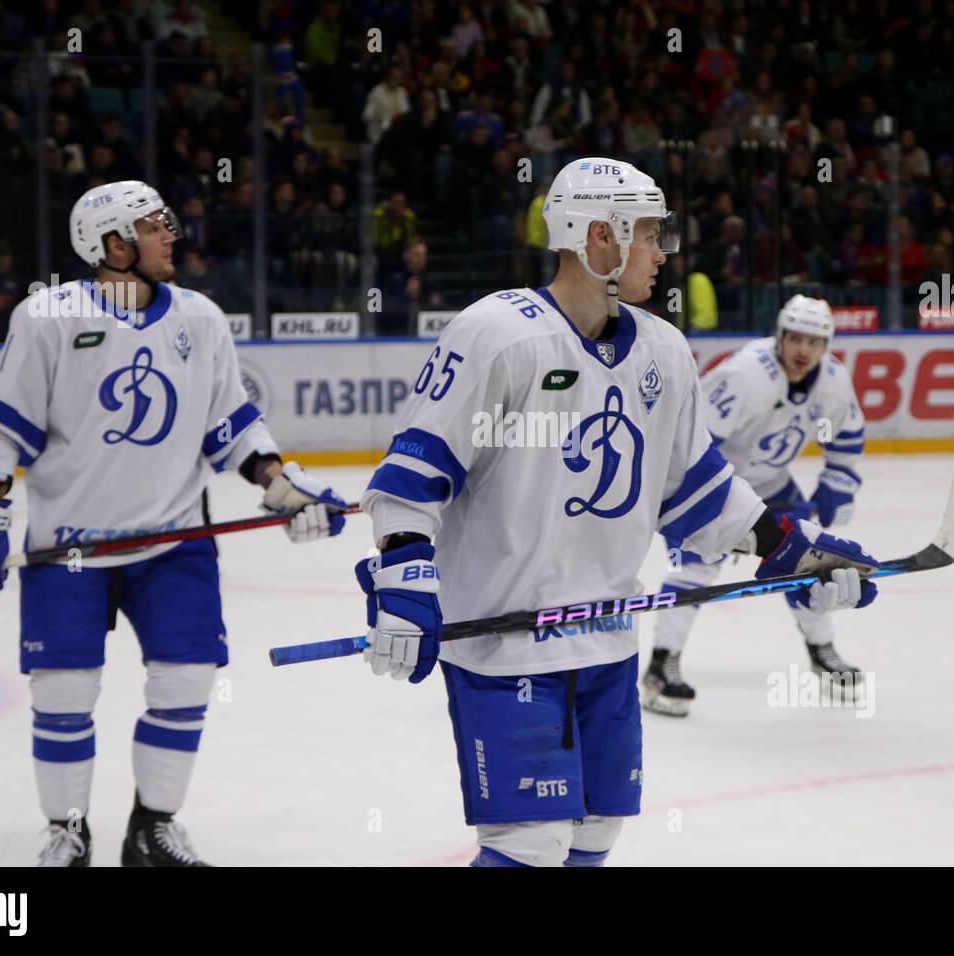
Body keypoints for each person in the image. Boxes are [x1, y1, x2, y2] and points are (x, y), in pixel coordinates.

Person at [351, 159, 880, 867]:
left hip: (605, 642)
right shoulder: (499, 335)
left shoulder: (663, 349)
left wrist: (795, 551)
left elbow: (697, 492)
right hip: (505, 646)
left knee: (596, 833)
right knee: (529, 846)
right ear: (599, 236)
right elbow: (414, 471)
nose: (664, 254)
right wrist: (405, 575)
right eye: (651, 235)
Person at [0, 181, 347, 867]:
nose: (173, 237)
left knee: (187, 681)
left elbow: (232, 425)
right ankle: (68, 831)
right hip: (67, 550)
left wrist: (279, 484)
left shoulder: (201, 318)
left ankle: (152, 827)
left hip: (174, 544)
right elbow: (4, 427)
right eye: (156, 227)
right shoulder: (48, 318)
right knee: (65, 694)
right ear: (112, 245)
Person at [643, 295, 867, 716]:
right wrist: (719, 517)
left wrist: (839, 482)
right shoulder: (748, 374)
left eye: (814, 341)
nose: (803, 350)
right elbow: (695, 444)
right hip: (714, 482)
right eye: (795, 338)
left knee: (808, 562)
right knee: (695, 569)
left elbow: (845, 437)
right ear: (779, 336)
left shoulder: (833, 380)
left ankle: (821, 650)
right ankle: (659, 664)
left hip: (773, 484)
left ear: (827, 345)